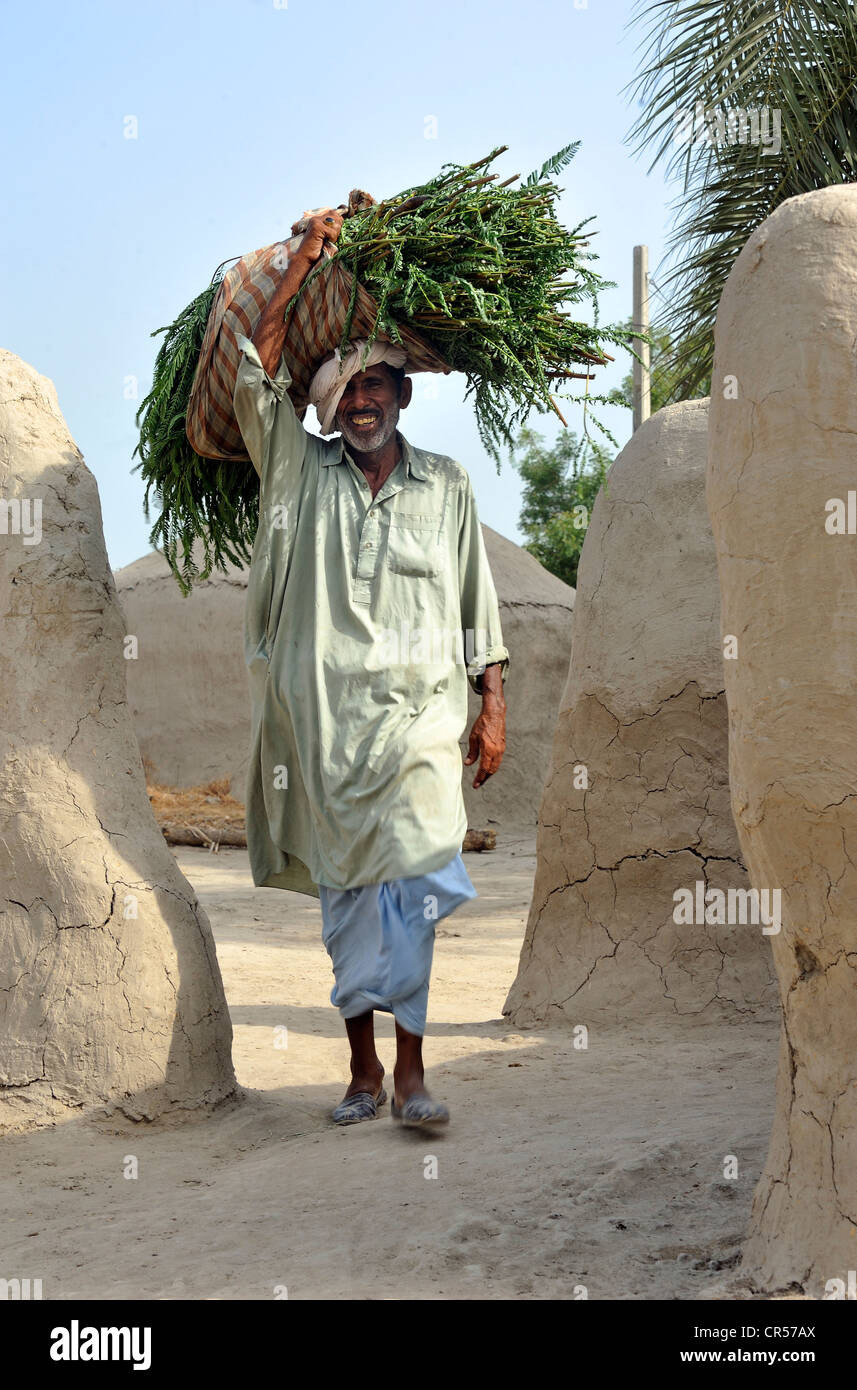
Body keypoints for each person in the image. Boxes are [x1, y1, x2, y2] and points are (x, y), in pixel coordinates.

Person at [232, 207, 509, 1128]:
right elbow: (255, 372)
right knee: (350, 898)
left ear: (402, 394)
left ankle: (415, 1072)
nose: (361, 403)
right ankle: (361, 1072)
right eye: (345, 391)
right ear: (328, 408)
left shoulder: (448, 486)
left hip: (422, 721)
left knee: (421, 886)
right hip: (325, 725)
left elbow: (476, 599)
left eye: (377, 385)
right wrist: (300, 263)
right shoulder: (297, 474)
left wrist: (491, 699)